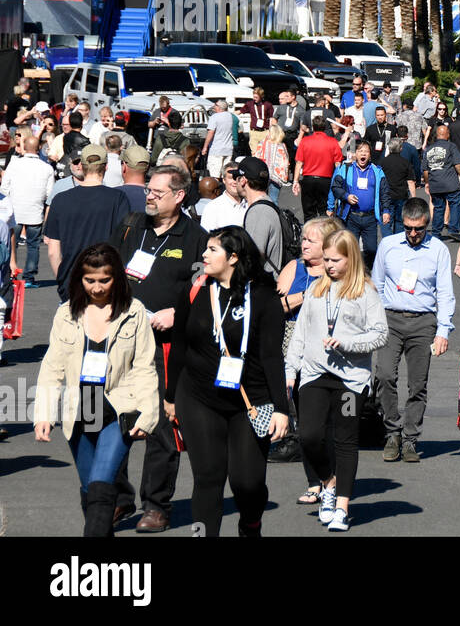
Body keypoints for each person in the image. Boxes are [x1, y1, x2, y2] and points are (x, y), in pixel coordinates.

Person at [165, 226, 291, 537]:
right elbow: (179, 345)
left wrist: (281, 408)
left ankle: (251, 524)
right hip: (198, 396)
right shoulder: (194, 290)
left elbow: (273, 356)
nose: (204, 255)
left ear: (233, 257)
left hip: (249, 400)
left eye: (212, 250)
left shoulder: (263, 296)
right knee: (207, 477)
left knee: (246, 483)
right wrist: (169, 397)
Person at [108, 164, 209, 533]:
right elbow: (110, 268)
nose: (148, 196)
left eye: (157, 192)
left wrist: (176, 312)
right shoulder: (132, 226)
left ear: (179, 196)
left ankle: (156, 505)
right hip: (121, 339)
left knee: (162, 426)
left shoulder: (196, 237)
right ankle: (118, 499)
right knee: (113, 419)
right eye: (148, 189)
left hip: (164, 345)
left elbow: (205, 291)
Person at [33, 244, 157, 536]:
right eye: (90, 281)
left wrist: (147, 414)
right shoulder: (66, 314)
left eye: (105, 280)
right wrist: (43, 414)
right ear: (80, 279)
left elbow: (144, 367)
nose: (97, 288)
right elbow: (52, 367)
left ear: (117, 278)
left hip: (118, 409)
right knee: (91, 492)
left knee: (102, 484)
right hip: (79, 410)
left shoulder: (134, 312)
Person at [287, 229, 388, 532]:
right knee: (309, 435)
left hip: (349, 381)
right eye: (326, 260)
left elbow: (380, 334)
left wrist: (347, 344)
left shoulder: (365, 291)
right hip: (315, 374)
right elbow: (301, 333)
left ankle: (341, 505)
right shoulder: (317, 288)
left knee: (345, 439)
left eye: (334, 260)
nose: (328, 266)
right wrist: (291, 370)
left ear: (350, 259)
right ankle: (328, 481)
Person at [372, 198, 455, 463]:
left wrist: (443, 330)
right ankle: (392, 431)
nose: (413, 234)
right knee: (384, 375)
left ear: (427, 225)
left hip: (423, 321)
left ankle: (410, 438)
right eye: (408, 228)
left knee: (417, 384)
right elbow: (377, 283)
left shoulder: (438, 250)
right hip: (391, 319)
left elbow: (445, 292)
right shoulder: (388, 245)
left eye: (418, 229)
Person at [276, 216, 342, 501]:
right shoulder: (294, 268)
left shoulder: (338, 271)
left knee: (328, 423)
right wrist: (305, 295)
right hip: (294, 348)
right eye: (303, 239)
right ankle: (313, 482)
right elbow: (276, 305)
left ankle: (333, 480)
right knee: (305, 423)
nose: (303, 245)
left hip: (329, 353)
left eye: (310, 241)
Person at [43, 145, 132, 302]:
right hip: (105, 279)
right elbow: (124, 241)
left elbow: (53, 251)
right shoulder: (117, 198)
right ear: (106, 166)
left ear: (82, 167)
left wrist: (62, 279)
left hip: (71, 279)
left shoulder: (60, 199)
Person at [329, 141, 392, 269]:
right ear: (355, 154)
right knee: (350, 249)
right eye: (360, 151)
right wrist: (346, 196)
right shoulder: (346, 169)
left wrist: (386, 210)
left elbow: (385, 192)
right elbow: (335, 187)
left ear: (370, 155)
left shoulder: (377, 171)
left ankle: (368, 275)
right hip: (351, 216)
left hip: (370, 218)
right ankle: (350, 275)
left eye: (366, 151)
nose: (363, 154)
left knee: (371, 250)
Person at [1, 133, 54, 287]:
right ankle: (29, 277)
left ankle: (10, 274)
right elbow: (49, 193)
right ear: (38, 148)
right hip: (35, 210)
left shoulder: (14, 164)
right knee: (33, 245)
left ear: (24, 147)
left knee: (12, 244)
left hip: (15, 210)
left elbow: (4, 187)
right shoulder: (47, 168)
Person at [236, 157, 284, 277]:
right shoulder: (267, 204)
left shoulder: (259, 212)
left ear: (243, 181)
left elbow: (252, 255)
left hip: (264, 286)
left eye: (236, 177)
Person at [294, 116, 344, 220]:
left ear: (313, 127)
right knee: (324, 212)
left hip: (308, 179)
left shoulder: (305, 141)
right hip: (325, 180)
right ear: (325, 127)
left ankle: (309, 234)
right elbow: (338, 164)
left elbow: (299, 163)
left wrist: (295, 181)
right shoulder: (332, 142)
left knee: (308, 212)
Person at [424, 124, 460, 241]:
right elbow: (457, 164)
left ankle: (436, 232)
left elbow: (426, 170)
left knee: (438, 207)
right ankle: (453, 229)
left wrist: (427, 183)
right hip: (450, 183)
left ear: (437, 135)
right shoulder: (451, 146)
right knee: (455, 204)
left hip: (435, 183)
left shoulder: (429, 149)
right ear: (447, 135)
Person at [376, 137, 417, 236]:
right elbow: (410, 182)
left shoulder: (382, 162)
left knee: (386, 222)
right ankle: (398, 242)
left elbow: (378, 179)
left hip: (386, 196)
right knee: (399, 221)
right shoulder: (405, 162)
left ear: (389, 148)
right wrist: (414, 197)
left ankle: (387, 241)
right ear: (401, 149)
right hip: (401, 195)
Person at [200, 163, 248, 233]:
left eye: (238, 178)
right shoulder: (212, 208)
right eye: (231, 178)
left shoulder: (250, 204)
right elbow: (206, 238)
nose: (235, 182)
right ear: (224, 180)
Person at [201, 100, 240, 180]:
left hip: (216, 150)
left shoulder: (214, 117)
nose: (214, 106)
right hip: (228, 149)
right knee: (225, 175)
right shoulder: (230, 116)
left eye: (215, 104)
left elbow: (211, 132)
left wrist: (205, 147)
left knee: (215, 176)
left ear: (219, 107)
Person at [254, 125, 291, 205]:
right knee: (274, 199)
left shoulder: (262, 143)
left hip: (262, 175)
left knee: (261, 198)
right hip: (276, 177)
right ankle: (274, 215)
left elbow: (256, 157)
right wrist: (285, 177)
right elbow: (285, 163)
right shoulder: (281, 146)